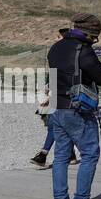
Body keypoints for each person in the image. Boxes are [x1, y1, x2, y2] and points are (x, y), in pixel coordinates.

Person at [45, 13, 101, 199]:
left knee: (60, 156)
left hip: (57, 107)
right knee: (89, 154)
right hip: (77, 109)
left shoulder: (56, 47)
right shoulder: (84, 50)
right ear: (91, 33)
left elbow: (53, 78)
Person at [31, 28, 78, 170]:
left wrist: (51, 92)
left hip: (62, 97)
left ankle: (43, 155)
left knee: (54, 125)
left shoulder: (68, 56)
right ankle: (71, 155)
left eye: (58, 37)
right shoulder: (58, 54)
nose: (54, 39)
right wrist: (48, 88)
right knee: (59, 126)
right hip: (55, 95)